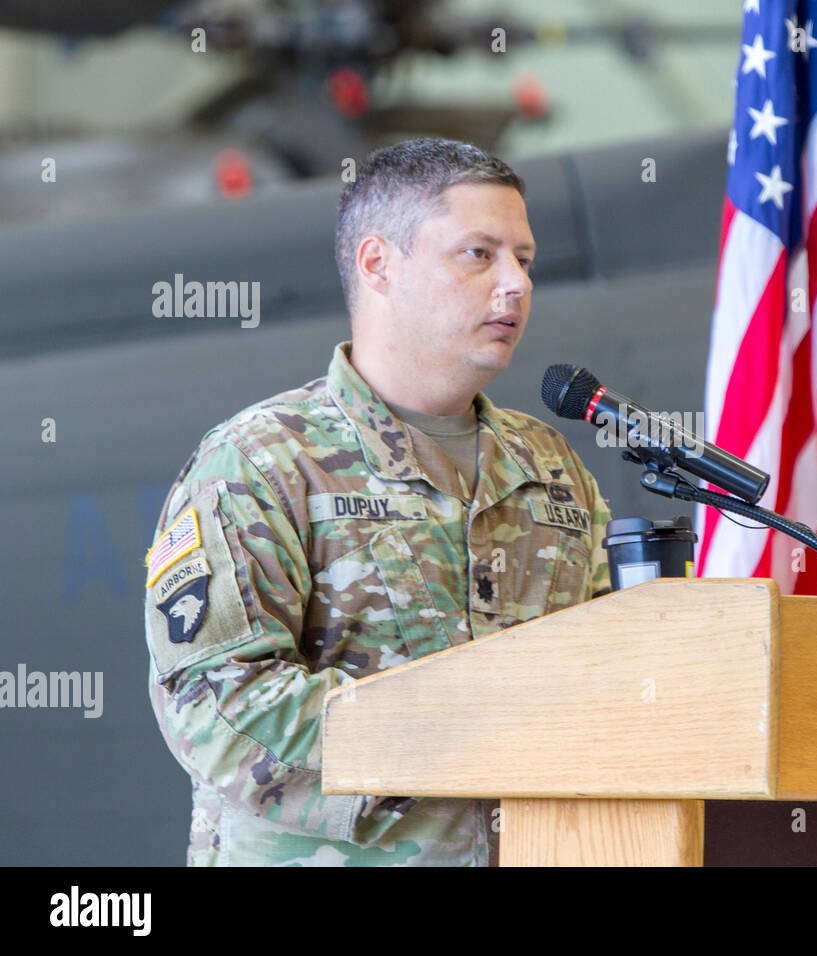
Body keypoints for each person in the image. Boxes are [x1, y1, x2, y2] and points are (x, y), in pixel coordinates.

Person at [143, 138, 613, 866]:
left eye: (524, 258)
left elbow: (614, 678)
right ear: (377, 265)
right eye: (479, 254)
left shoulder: (552, 468)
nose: (516, 284)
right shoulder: (264, 461)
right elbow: (218, 708)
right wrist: (456, 737)